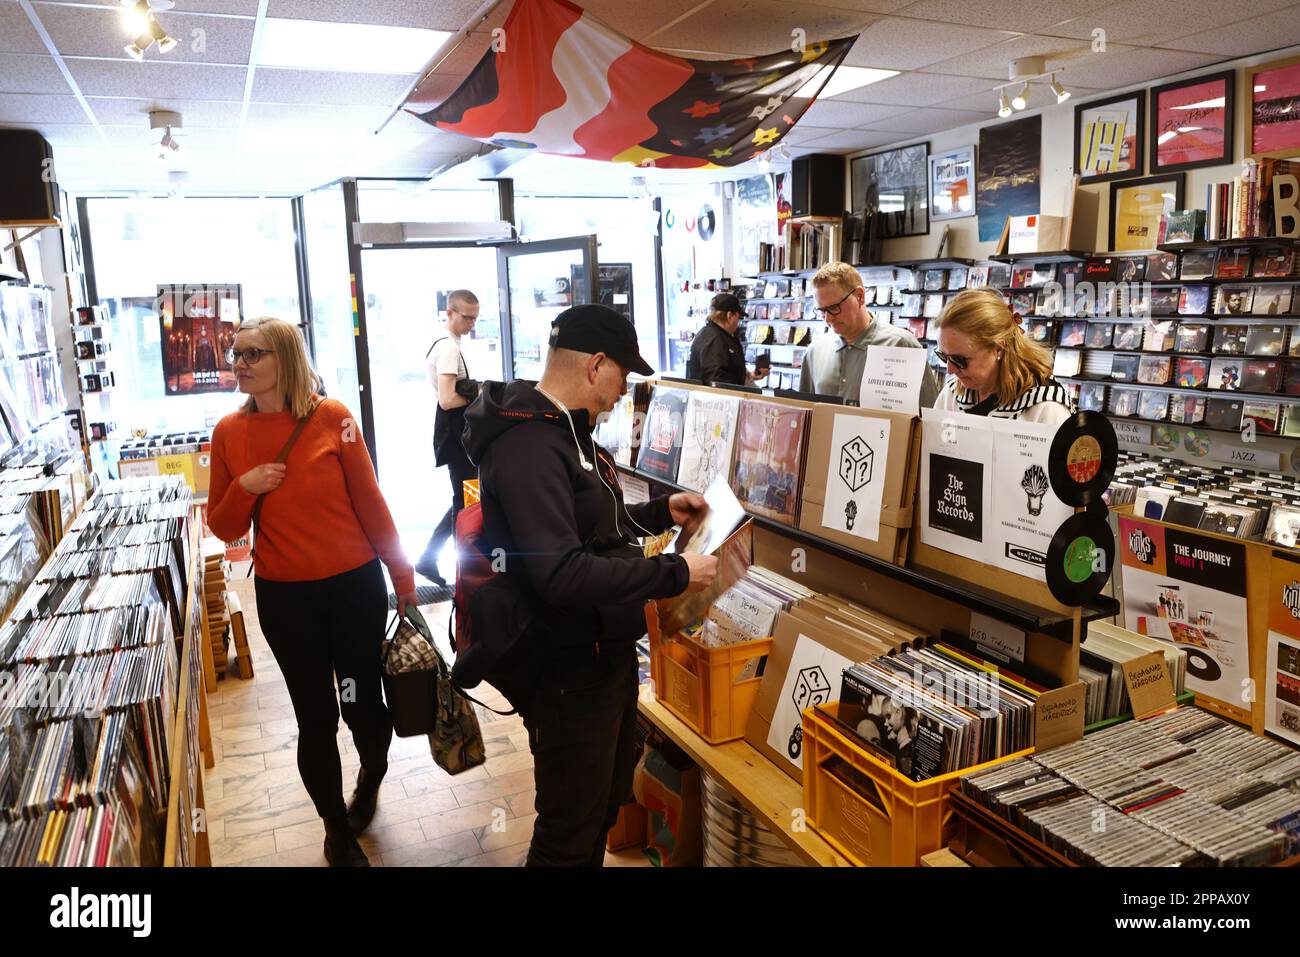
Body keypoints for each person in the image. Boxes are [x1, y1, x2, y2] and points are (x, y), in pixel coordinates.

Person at [462, 304, 719, 867]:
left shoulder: (565, 432)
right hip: (567, 665)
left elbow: (597, 528)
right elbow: (561, 572)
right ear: (596, 364)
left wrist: (660, 512)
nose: (624, 391)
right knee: (568, 832)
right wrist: (674, 574)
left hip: (602, 654)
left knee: (598, 810)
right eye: (624, 375)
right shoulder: (529, 444)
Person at [207, 317, 417, 868]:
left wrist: (403, 576)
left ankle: (372, 774)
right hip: (286, 600)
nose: (241, 363)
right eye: (236, 354)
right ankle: (334, 829)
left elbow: (371, 502)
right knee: (315, 716)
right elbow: (224, 528)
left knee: (361, 704)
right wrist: (244, 486)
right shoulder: (229, 432)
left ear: (287, 358)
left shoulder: (334, 419)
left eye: (254, 353)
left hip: (353, 592)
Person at [799, 261, 941, 406]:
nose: (828, 318)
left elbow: (927, 416)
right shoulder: (814, 351)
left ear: (860, 296)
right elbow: (805, 415)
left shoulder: (902, 345)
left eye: (834, 307)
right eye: (822, 311)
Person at [931, 289, 1075, 425]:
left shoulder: (1047, 408)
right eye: (944, 356)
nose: (950, 370)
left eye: (959, 360)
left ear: (998, 349)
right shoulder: (952, 393)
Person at [416, 290, 480, 586]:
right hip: (456, 433)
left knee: (464, 497)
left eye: (474, 318)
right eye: (466, 317)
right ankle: (462, 572)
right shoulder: (449, 348)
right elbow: (447, 399)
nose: (470, 323)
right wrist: (479, 397)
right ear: (449, 312)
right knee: (466, 500)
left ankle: (430, 558)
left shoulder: (446, 342)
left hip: (454, 433)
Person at [685, 292, 769, 385]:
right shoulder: (715, 339)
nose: (738, 322)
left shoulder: (716, 335)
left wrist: (750, 376)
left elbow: (728, 371)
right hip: (718, 398)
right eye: (738, 317)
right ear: (729, 316)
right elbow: (717, 381)